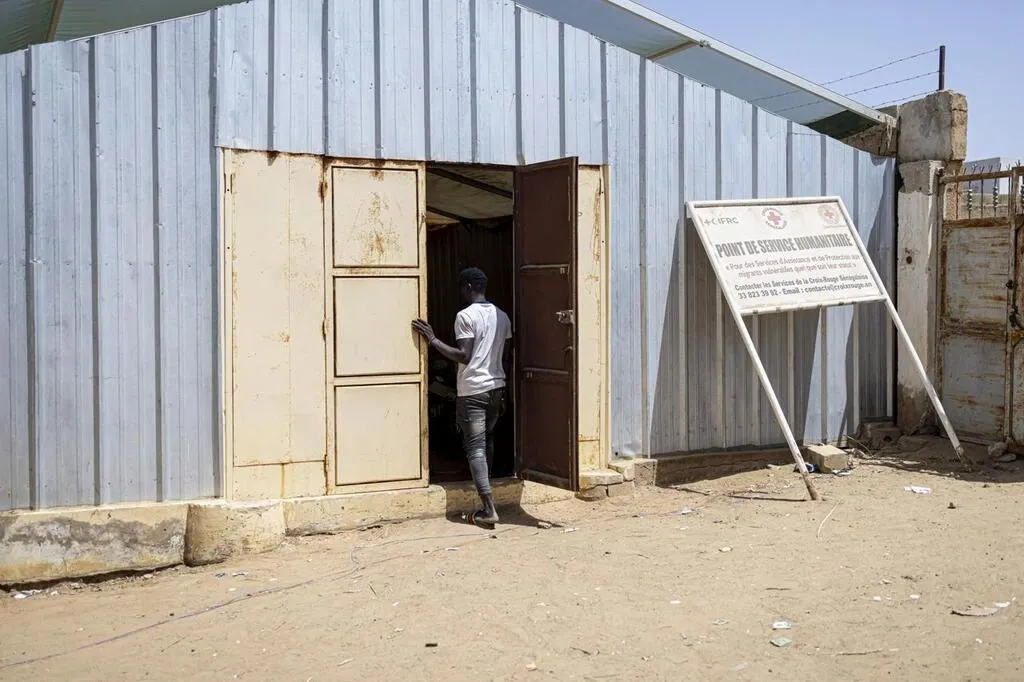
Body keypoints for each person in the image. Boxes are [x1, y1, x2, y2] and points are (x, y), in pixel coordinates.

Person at [412, 268, 511, 528]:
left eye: (461, 287)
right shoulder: (502, 316)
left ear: (468, 286)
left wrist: (432, 340)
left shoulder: (465, 316)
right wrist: (504, 393)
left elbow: (464, 355)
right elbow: (506, 357)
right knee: (486, 440)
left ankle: (488, 509)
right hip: (496, 388)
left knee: (474, 448)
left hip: (473, 391)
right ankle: (486, 495)